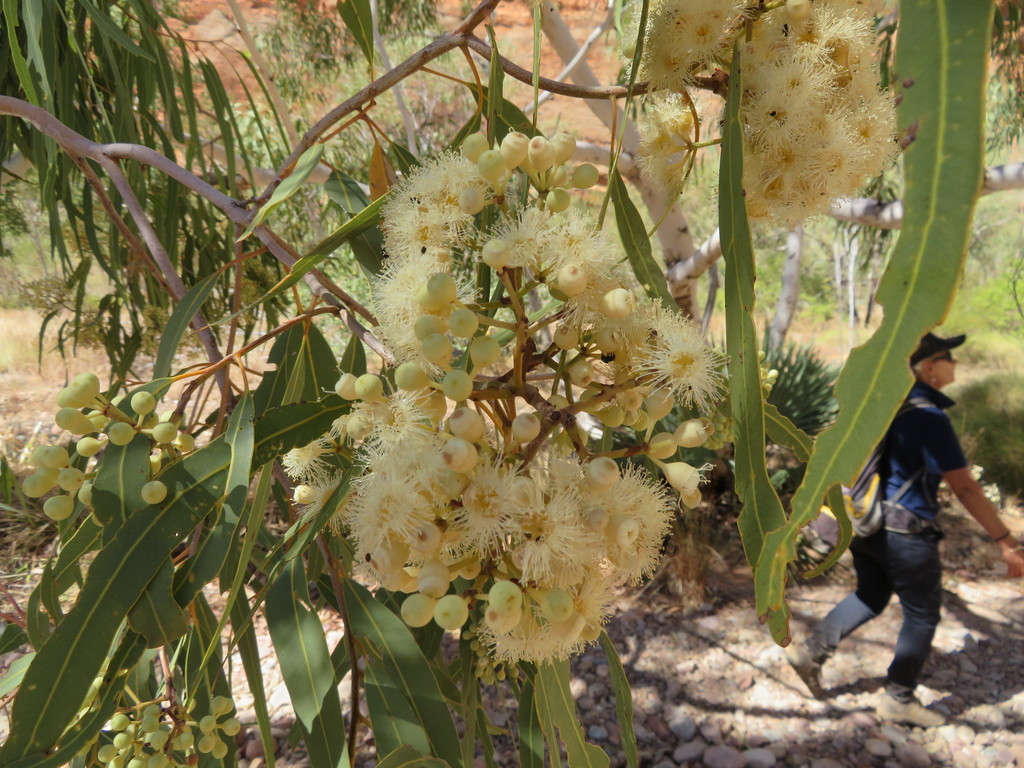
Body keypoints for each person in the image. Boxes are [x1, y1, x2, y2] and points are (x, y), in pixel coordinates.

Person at [786, 331, 1024, 727]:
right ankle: (898, 699)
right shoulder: (928, 417)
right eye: (950, 356)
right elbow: (964, 486)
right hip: (906, 534)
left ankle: (810, 652)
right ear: (928, 367)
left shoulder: (884, 407)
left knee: (872, 594)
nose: (957, 364)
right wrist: (1005, 540)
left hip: (864, 523)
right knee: (923, 614)